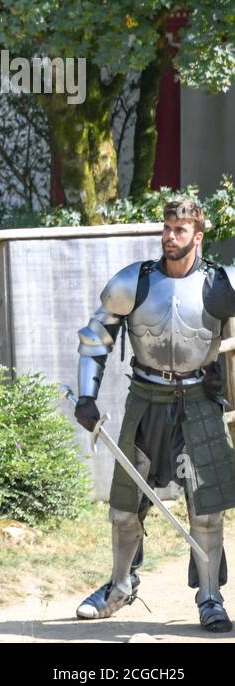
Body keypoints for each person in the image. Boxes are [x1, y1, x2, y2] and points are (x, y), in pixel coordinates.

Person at [73, 198, 235, 631]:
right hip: (145, 403)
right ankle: (120, 587)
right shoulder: (135, 282)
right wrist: (87, 396)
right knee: (124, 507)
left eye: (179, 230)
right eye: (166, 228)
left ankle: (210, 597)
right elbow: (95, 336)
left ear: (197, 237)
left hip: (199, 403)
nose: (169, 237)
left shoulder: (222, 284)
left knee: (206, 511)